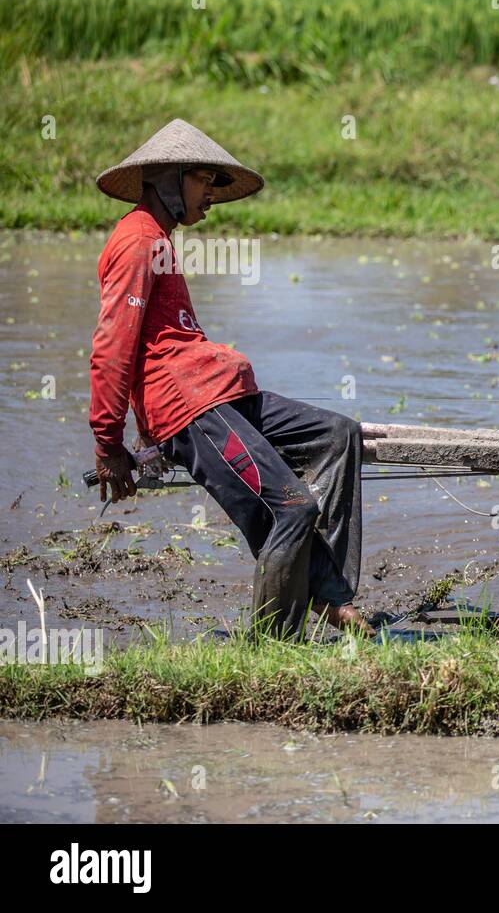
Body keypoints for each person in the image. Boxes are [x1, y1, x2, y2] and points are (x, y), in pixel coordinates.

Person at [89, 119, 372, 637]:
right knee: (290, 507)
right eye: (204, 180)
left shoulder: (159, 240)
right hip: (190, 408)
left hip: (219, 392)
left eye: (216, 184)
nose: (212, 196)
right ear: (170, 179)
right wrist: (109, 443)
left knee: (338, 435)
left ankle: (330, 596)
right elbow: (113, 348)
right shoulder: (134, 243)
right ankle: (274, 647)